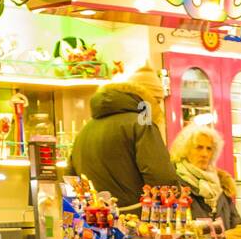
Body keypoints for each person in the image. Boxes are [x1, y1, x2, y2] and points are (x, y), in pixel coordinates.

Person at [68, 68, 178, 209]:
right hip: (137, 222)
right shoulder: (141, 124)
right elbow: (163, 181)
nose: (160, 109)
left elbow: (71, 180)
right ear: (144, 98)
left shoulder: (83, 131)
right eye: (157, 101)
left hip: (96, 221)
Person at [170, 122, 241, 239]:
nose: (205, 154)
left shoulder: (221, 184)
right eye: (199, 147)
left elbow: (238, 224)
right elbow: (178, 238)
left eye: (209, 148)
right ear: (185, 150)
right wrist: (223, 236)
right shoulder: (175, 186)